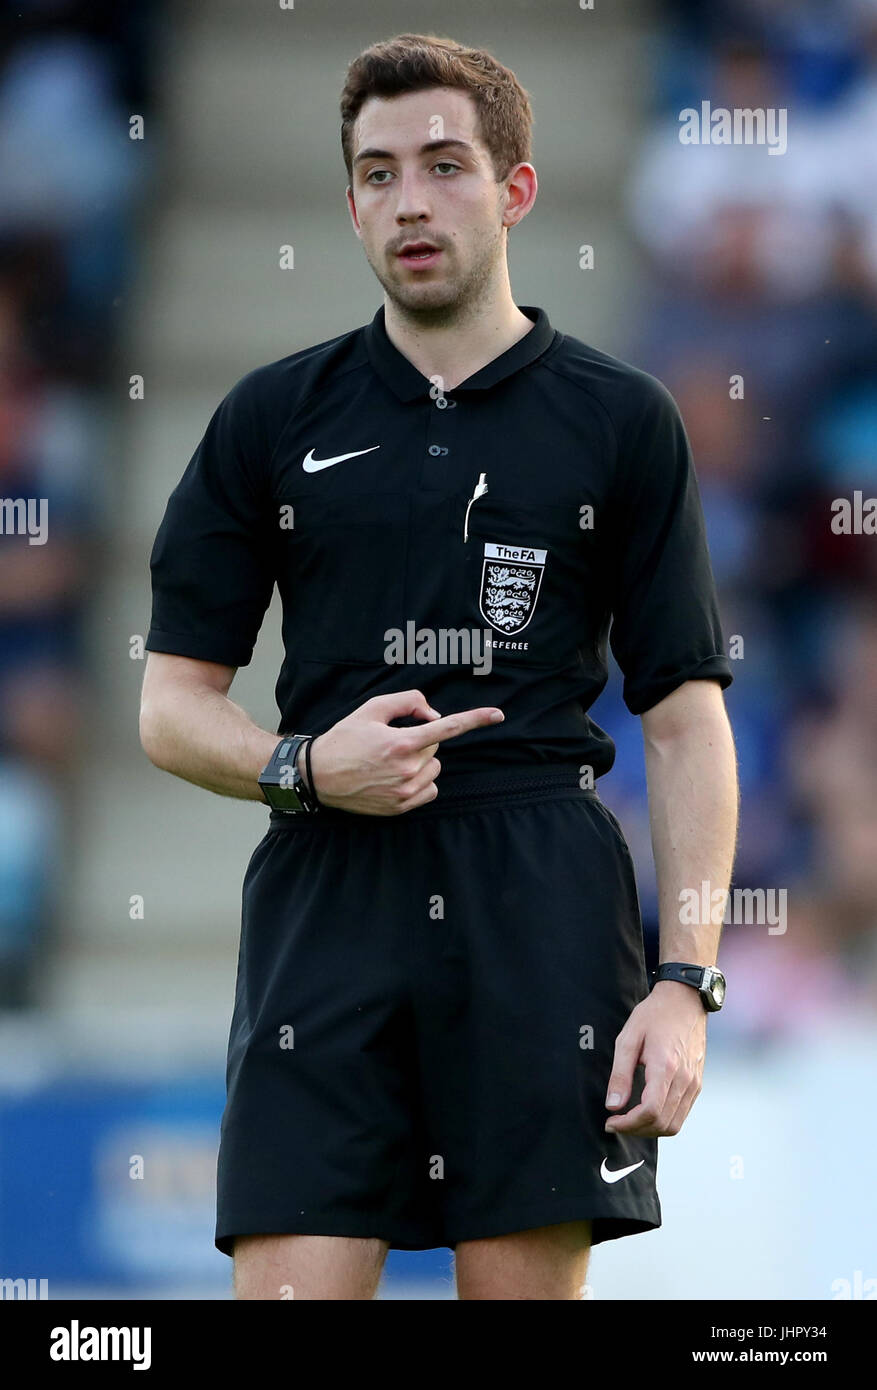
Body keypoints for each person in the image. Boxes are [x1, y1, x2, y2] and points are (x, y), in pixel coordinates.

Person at [139, 33, 738, 1301]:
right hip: (325, 891)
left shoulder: (621, 418)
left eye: (443, 164)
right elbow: (169, 706)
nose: (408, 199)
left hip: (539, 902)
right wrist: (304, 767)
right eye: (375, 173)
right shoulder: (269, 418)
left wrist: (685, 982)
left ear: (512, 191)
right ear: (350, 204)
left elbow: (685, 720)